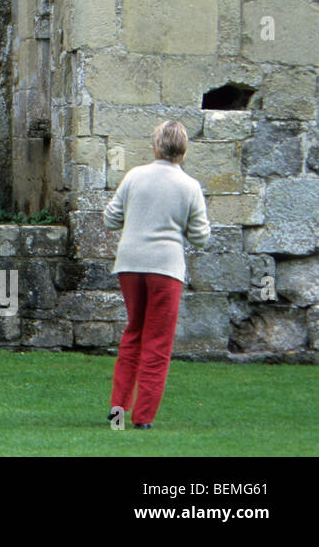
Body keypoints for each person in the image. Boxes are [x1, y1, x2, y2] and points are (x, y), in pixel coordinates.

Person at [104, 120, 210, 429]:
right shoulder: (189, 186)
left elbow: (111, 219)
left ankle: (117, 413)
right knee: (158, 342)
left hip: (130, 262)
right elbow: (201, 236)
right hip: (165, 267)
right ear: (184, 150)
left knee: (133, 334)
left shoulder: (135, 176)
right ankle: (144, 417)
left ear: (155, 145)